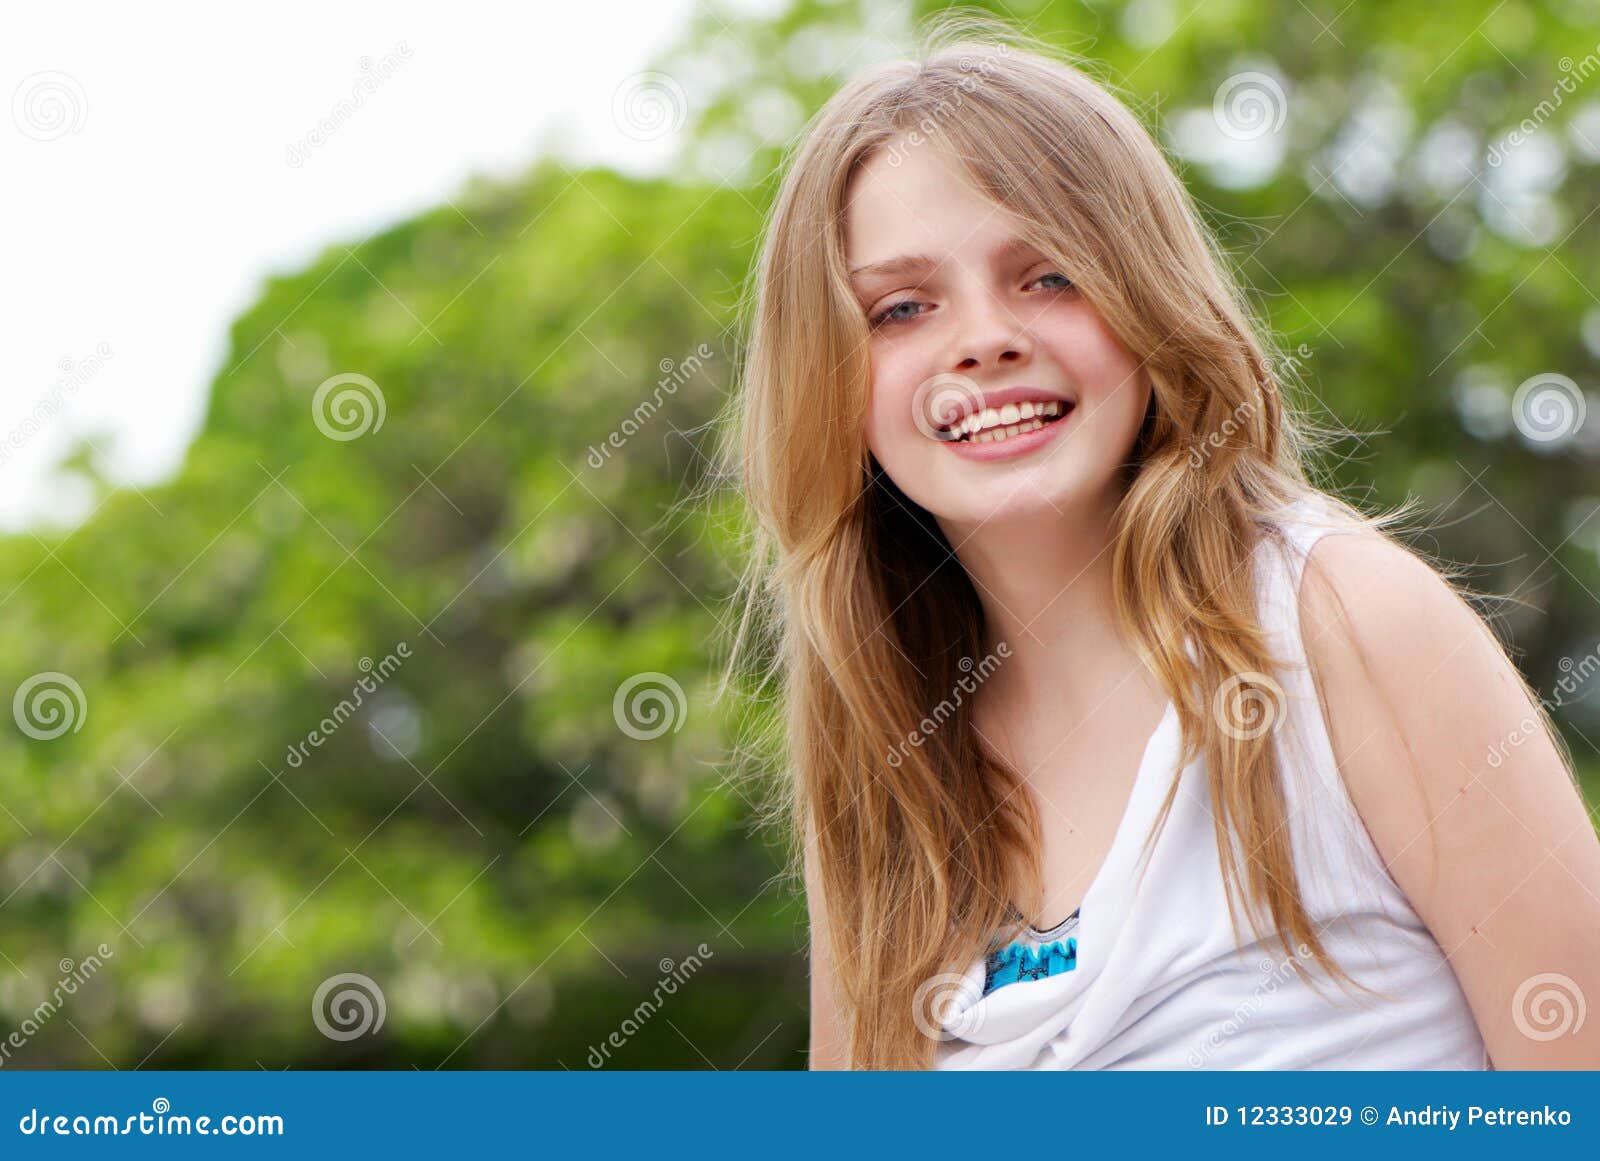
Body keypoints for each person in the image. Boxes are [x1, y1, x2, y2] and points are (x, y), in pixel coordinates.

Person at [715, 12, 1600, 1070]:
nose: (984, 338)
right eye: (900, 308)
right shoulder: (884, 754)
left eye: (1047, 275)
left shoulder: (1348, 625)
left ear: (1146, 298)